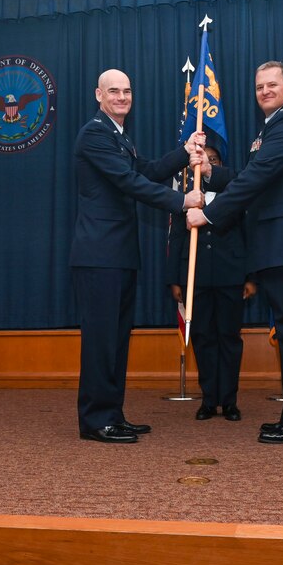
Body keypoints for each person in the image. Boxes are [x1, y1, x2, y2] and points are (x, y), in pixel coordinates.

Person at [186, 61, 283, 444]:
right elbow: (252, 174)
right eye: (259, 86)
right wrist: (209, 172)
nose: (264, 91)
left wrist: (208, 215)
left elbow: (255, 178)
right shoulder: (273, 126)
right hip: (278, 244)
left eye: (272, 85)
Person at [70, 68, 205, 444]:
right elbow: (130, 182)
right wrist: (182, 201)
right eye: (114, 91)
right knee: (101, 341)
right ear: (98, 95)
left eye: (127, 91)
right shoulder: (95, 134)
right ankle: (96, 420)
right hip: (99, 256)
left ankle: (112, 414)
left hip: (119, 255)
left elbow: (145, 169)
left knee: (116, 340)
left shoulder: (119, 137)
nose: (122, 97)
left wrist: (185, 151)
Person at [167, 141, 255, 422]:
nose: (209, 163)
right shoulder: (188, 194)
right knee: (203, 338)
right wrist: (175, 278)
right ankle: (209, 400)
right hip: (197, 276)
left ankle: (229, 401)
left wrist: (250, 276)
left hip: (231, 275)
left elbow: (247, 233)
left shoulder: (235, 189)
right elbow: (177, 238)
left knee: (229, 338)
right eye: (204, 158)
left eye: (214, 159)